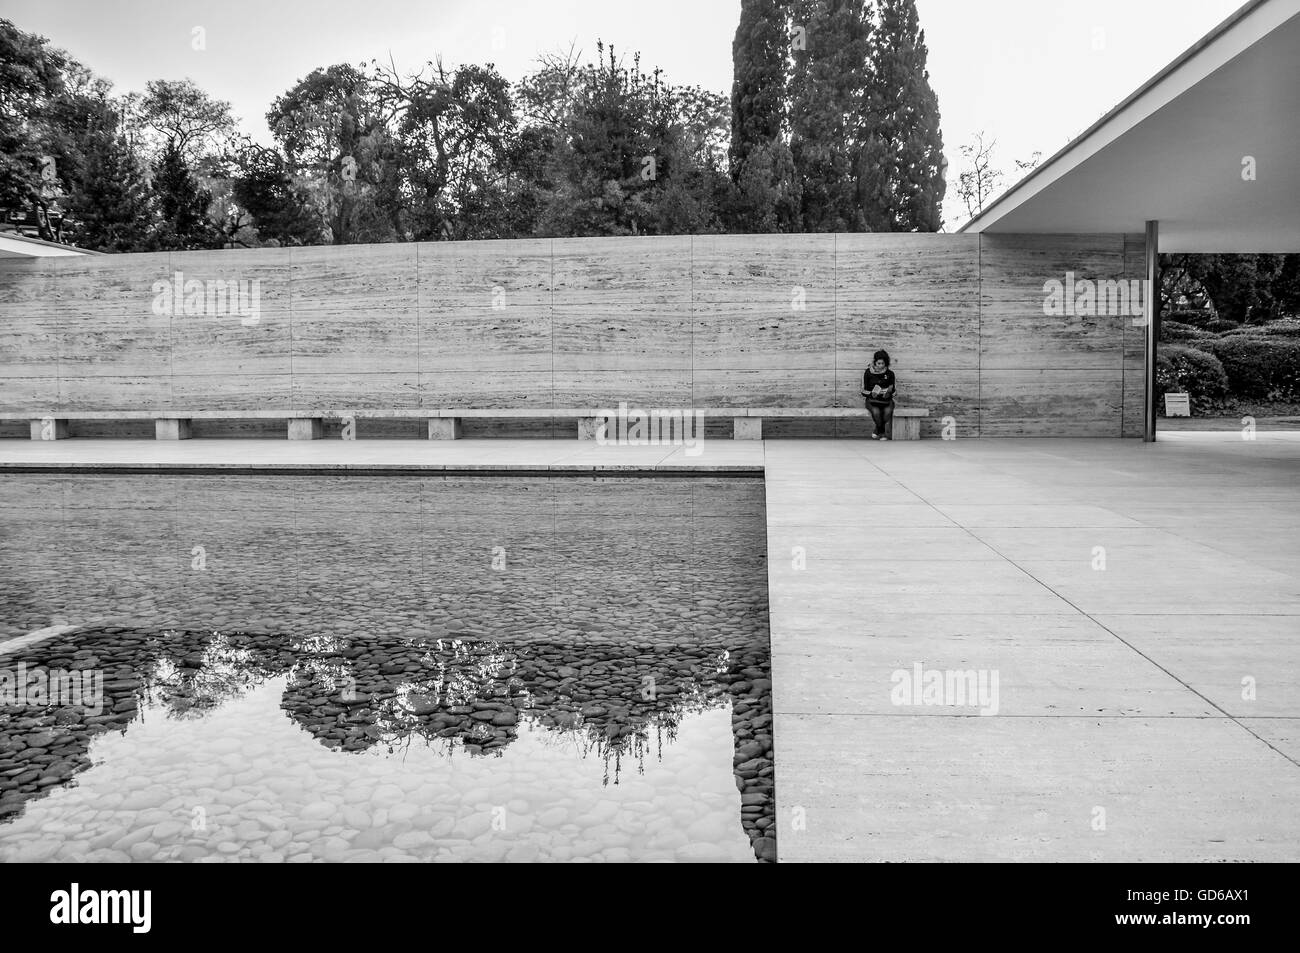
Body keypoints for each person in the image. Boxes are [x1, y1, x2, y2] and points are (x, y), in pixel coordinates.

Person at [861, 350, 897, 440]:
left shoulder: (890, 374)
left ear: (886, 363)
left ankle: (877, 430)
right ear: (875, 362)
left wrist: (888, 392)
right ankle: (882, 432)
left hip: (886, 400)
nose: (881, 366)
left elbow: (893, 390)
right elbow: (863, 390)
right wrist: (872, 393)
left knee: (887, 413)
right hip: (872, 400)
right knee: (876, 412)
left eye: (883, 363)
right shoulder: (868, 372)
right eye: (879, 363)